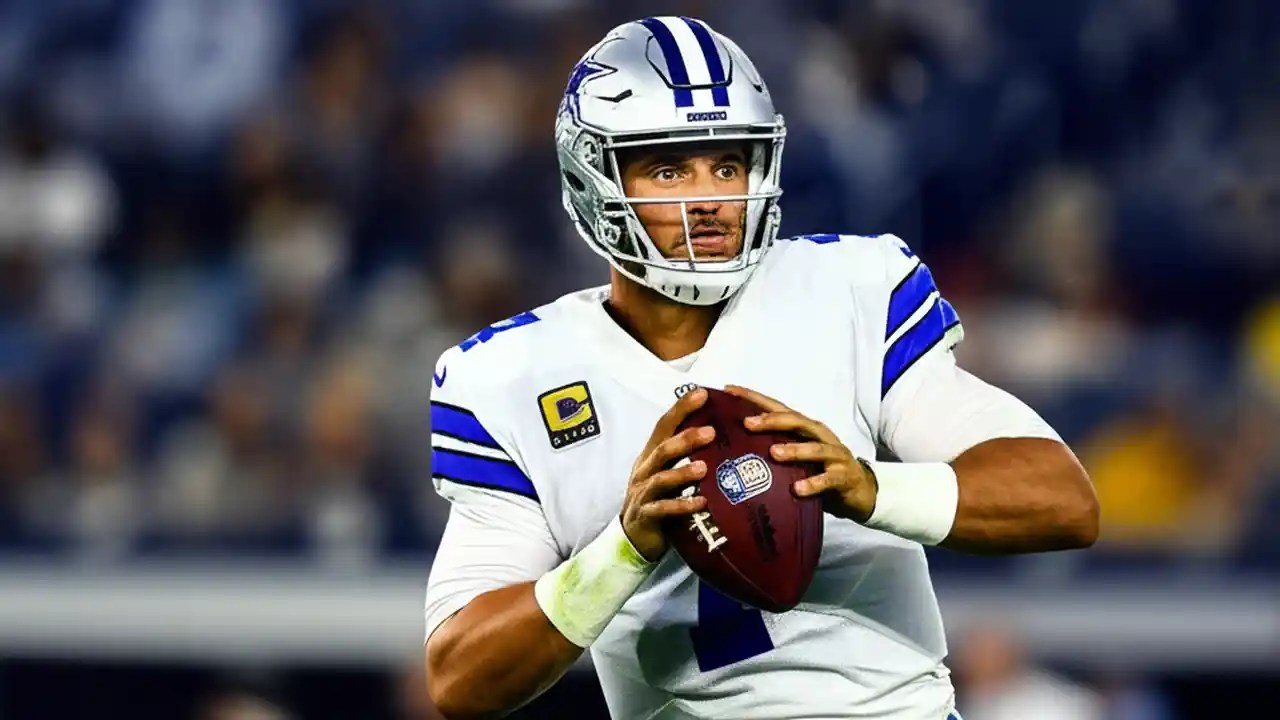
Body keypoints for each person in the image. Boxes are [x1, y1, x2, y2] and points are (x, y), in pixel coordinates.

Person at [423, 16, 1099, 720]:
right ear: (594, 177)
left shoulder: (852, 288)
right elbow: (460, 676)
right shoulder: (510, 376)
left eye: (727, 162)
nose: (710, 197)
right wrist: (622, 550)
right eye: (668, 168)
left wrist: (872, 490)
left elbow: (1063, 499)